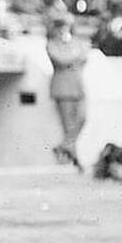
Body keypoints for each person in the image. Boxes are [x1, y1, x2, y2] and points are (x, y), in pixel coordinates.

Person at [46, 15, 89, 168]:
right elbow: (61, 60)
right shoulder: (52, 43)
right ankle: (76, 161)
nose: (65, 30)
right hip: (63, 88)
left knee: (82, 118)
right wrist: (73, 56)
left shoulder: (75, 42)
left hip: (77, 86)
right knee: (69, 126)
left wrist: (71, 55)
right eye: (62, 27)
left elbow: (84, 56)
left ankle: (64, 147)